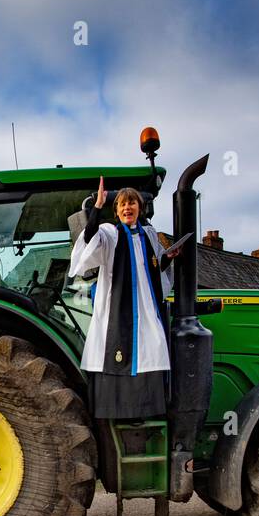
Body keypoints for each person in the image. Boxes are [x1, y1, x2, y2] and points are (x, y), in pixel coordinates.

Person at [69, 176, 182, 419]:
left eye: (132, 203)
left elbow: (152, 266)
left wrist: (168, 258)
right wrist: (97, 207)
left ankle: (146, 412)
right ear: (117, 211)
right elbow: (90, 240)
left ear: (139, 208)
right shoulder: (110, 235)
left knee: (150, 347)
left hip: (145, 304)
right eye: (122, 204)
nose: (127, 208)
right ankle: (116, 411)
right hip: (117, 304)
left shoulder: (150, 236)